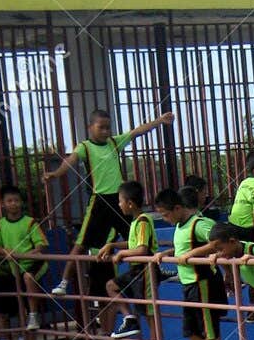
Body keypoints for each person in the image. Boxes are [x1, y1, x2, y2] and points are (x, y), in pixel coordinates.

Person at [46, 105, 174, 298]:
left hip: (120, 200)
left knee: (138, 239)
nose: (106, 131)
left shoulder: (114, 143)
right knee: (81, 242)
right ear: (91, 127)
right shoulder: (85, 147)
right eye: (101, 127)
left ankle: (156, 270)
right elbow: (70, 161)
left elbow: (136, 132)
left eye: (108, 127)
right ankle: (64, 282)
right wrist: (55, 174)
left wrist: (159, 121)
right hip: (99, 199)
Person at [156, 185, 227, 340]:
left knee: (209, 329)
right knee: (191, 330)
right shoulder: (180, 226)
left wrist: (192, 255)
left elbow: (219, 240)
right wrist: (168, 253)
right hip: (188, 284)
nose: (165, 219)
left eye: (166, 214)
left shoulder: (200, 224)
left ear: (178, 208)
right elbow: (185, 247)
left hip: (203, 282)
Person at [95, 181, 161, 340]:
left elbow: (141, 249)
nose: (119, 205)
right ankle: (130, 318)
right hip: (137, 272)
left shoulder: (142, 221)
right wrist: (112, 245)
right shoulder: (135, 222)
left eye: (120, 201)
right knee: (111, 285)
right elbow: (134, 243)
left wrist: (121, 253)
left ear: (130, 203)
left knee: (152, 320)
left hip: (145, 273)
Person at [0, 185, 49, 340]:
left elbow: (41, 245)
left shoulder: (30, 222)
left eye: (16, 200)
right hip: (12, 271)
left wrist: (25, 255)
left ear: (21, 203)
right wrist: (5, 252)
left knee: (27, 307)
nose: (13, 204)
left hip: (29, 266)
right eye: (9, 201)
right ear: (3, 204)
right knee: (7, 310)